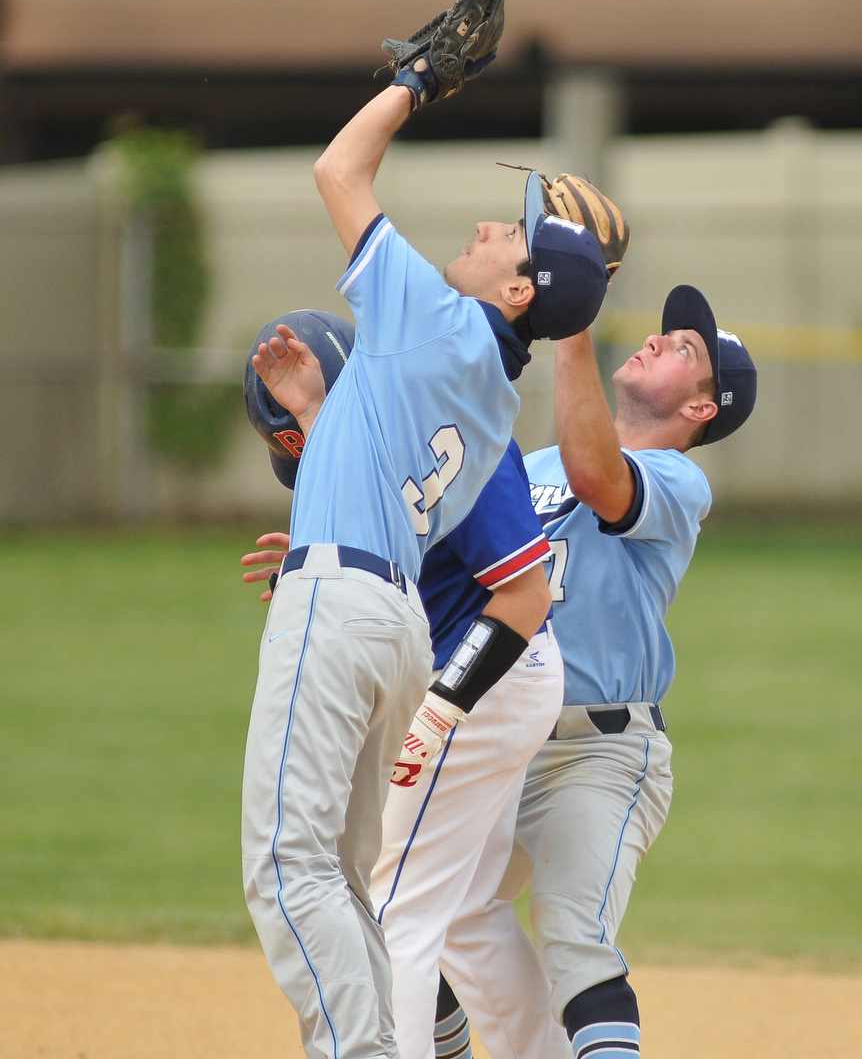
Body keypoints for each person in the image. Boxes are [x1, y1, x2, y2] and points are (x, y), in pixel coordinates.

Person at [239, 72, 611, 1059]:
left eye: (513, 237)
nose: (492, 225)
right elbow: (386, 470)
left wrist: (416, 82)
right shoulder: (490, 394)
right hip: (396, 621)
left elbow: (337, 168)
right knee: (349, 879)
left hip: (347, 607)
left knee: (289, 868)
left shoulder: (432, 320)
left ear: (519, 290)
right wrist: (322, 422)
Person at [435, 285, 757, 1059]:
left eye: (686, 350)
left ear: (701, 411)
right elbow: (444, 565)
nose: (655, 341)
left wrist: (571, 326)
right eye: (666, 333)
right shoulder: (531, 464)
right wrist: (332, 566)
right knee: (420, 913)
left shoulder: (678, 483)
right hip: (496, 741)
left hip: (595, 754)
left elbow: (597, 479)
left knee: (575, 941)